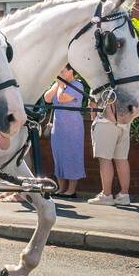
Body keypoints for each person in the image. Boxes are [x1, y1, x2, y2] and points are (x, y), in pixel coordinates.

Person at [44, 66, 86, 198]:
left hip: (73, 127)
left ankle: (71, 190)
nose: (59, 73)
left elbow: (62, 98)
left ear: (71, 71)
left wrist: (61, 84)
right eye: (59, 71)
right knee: (59, 157)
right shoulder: (58, 84)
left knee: (72, 156)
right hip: (58, 127)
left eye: (62, 71)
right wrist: (58, 84)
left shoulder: (77, 85)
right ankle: (61, 188)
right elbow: (47, 98)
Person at [88, 99, 132, 206]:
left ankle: (106, 195)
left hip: (105, 123)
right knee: (122, 159)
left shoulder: (100, 82)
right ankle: (124, 195)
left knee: (105, 160)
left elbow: (92, 103)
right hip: (124, 123)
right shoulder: (124, 84)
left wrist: (93, 118)